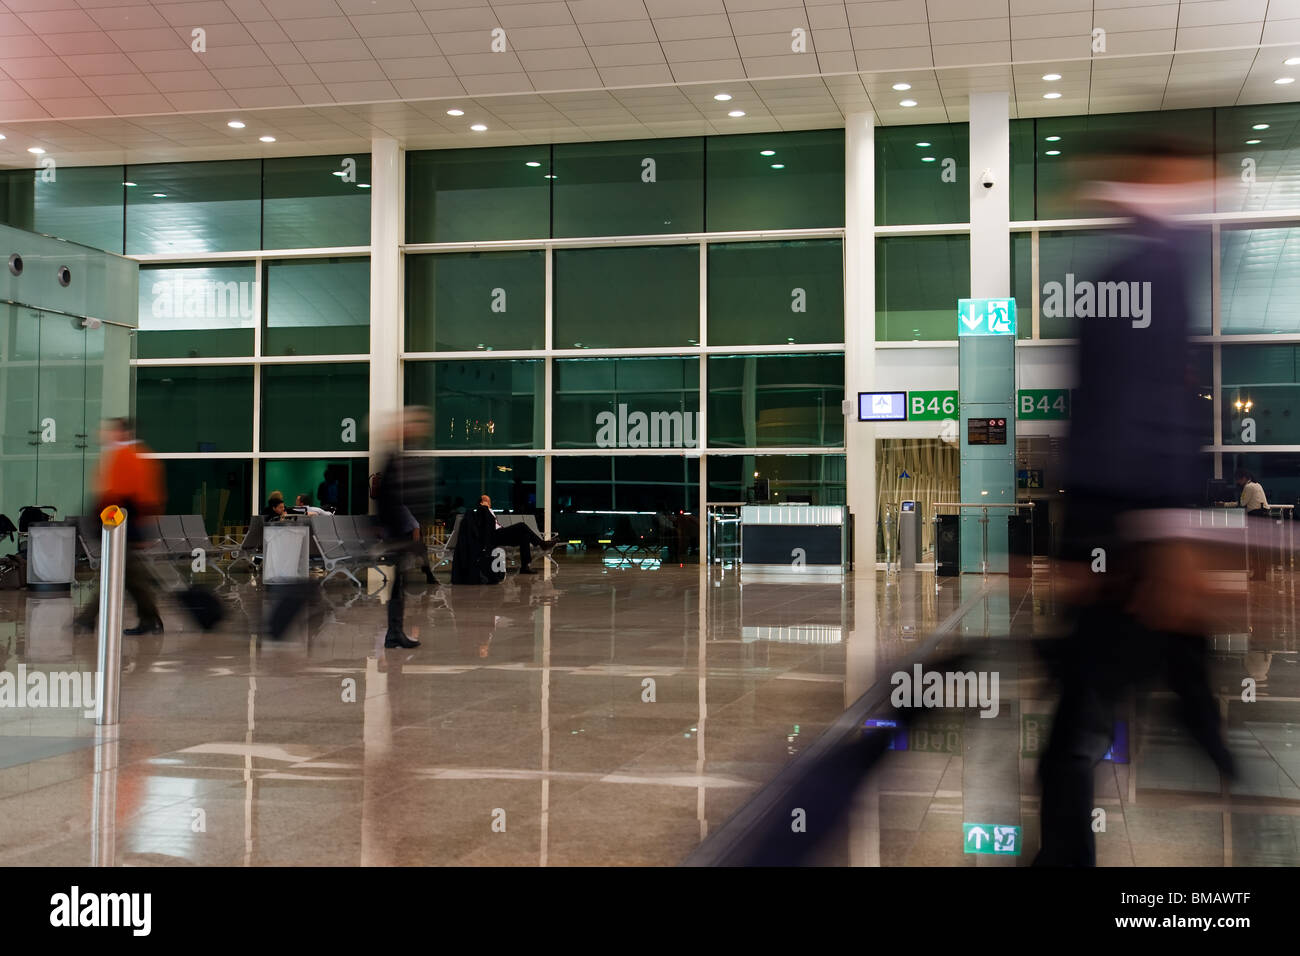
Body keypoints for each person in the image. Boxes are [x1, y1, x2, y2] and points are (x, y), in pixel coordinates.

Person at [1033, 135, 1235, 867]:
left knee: (1083, 712)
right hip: (1128, 525)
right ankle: (1199, 718)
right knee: (1088, 707)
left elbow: (1109, 417)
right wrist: (1167, 537)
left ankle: (1197, 718)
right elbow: (1131, 418)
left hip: (1119, 524)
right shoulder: (1151, 269)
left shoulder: (1138, 268)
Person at [75, 418, 166, 636]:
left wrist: (102, 519)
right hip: (121, 527)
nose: (104, 434)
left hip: (123, 529)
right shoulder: (124, 455)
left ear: (121, 433)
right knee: (132, 579)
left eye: (110, 430)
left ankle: (87, 620)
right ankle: (149, 620)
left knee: (120, 577)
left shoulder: (128, 457)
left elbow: (126, 496)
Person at [374, 408, 434, 648]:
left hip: (403, 532)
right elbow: (386, 500)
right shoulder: (392, 458)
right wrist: (396, 533)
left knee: (400, 583)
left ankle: (395, 632)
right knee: (398, 583)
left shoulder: (399, 457)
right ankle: (393, 633)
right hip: (398, 534)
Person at [477, 494, 558, 575]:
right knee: (521, 525)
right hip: (494, 536)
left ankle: (525, 567)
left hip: (500, 534)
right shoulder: (481, 511)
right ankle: (542, 544)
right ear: (481, 503)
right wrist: (484, 508)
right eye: (486, 501)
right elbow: (486, 525)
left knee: (524, 536)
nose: (489, 502)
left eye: (489, 501)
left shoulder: (489, 511)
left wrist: (487, 508)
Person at [1236, 469, 1271, 580]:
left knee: (1255, 547)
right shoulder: (1258, 485)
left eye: (1238, 479)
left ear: (1244, 478)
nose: (1238, 482)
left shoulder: (1248, 487)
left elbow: (1242, 502)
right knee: (1261, 547)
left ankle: (1258, 575)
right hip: (1263, 515)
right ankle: (1262, 574)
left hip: (1255, 516)